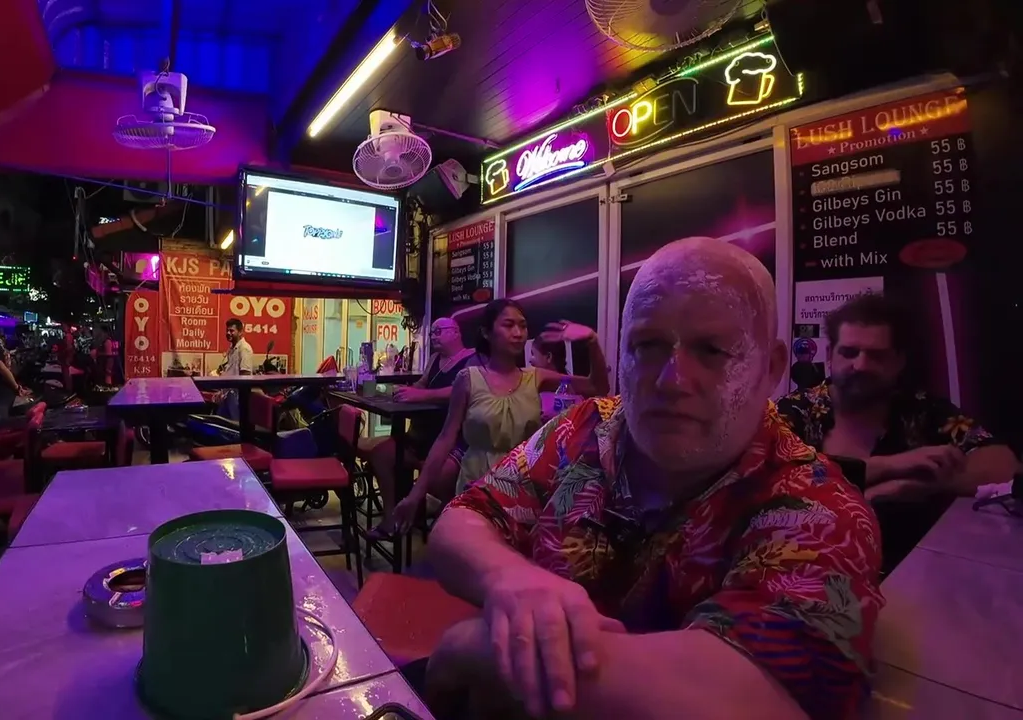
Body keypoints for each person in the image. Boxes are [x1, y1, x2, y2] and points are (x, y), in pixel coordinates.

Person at [424, 238, 883, 720]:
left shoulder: (818, 508)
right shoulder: (585, 428)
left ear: (770, 369)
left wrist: (476, 649)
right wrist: (511, 578)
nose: (671, 379)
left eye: (711, 350)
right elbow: (465, 519)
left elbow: (753, 697)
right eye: (646, 346)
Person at [776, 292, 1016, 569]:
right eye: (849, 352)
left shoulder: (923, 410)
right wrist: (892, 466)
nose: (861, 365)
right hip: (806, 574)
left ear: (899, 361)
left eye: (877, 356)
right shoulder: (796, 410)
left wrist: (925, 483)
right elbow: (772, 480)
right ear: (830, 355)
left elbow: (1005, 466)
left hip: (909, 579)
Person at [384, 301, 610, 534]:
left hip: (522, 487)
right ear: (486, 332)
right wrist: (415, 495)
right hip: (476, 484)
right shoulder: (468, 379)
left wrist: (592, 342)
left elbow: (597, 387)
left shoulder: (536, 377)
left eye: (523, 326)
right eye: (509, 325)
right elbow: (445, 439)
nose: (518, 333)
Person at [366, 317, 482, 539]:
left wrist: (420, 395)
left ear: (456, 332)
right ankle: (391, 518)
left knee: (440, 480)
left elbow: (462, 390)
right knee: (381, 454)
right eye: (432, 333)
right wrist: (405, 390)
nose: (433, 336)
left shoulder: (471, 358)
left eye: (439, 331)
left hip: (450, 440)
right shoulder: (435, 358)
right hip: (420, 437)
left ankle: (447, 528)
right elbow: (422, 384)